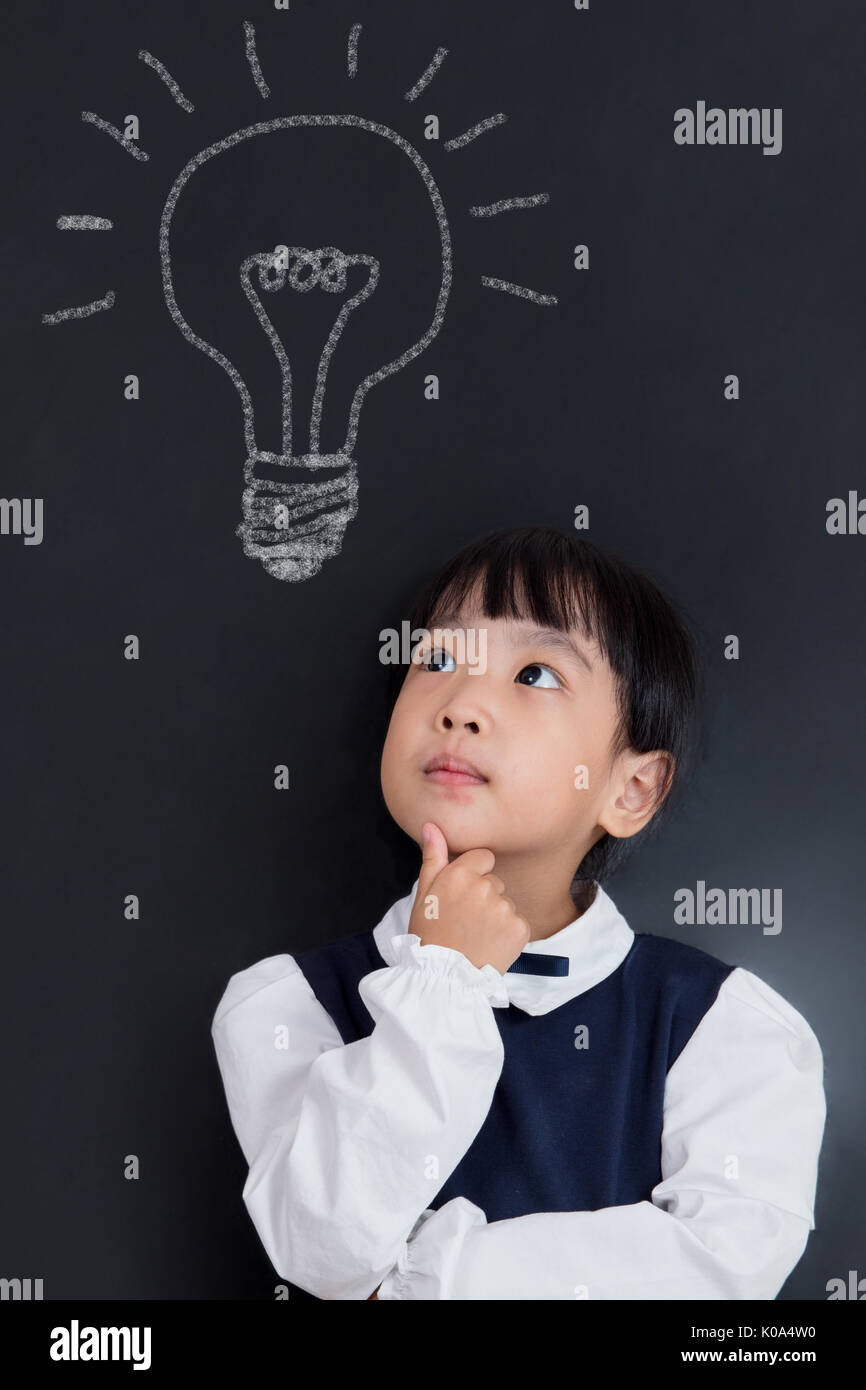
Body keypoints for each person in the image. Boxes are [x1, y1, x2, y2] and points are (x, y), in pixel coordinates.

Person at [211, 525, 826, 1299]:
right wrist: (443, 980)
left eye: (535, 674)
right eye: (437, 659)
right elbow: (325, 1247)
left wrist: (416, 1281)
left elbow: (716, 1270)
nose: (462, 704)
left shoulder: (721, 1029)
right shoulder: (289, 1006)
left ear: (631, 789)